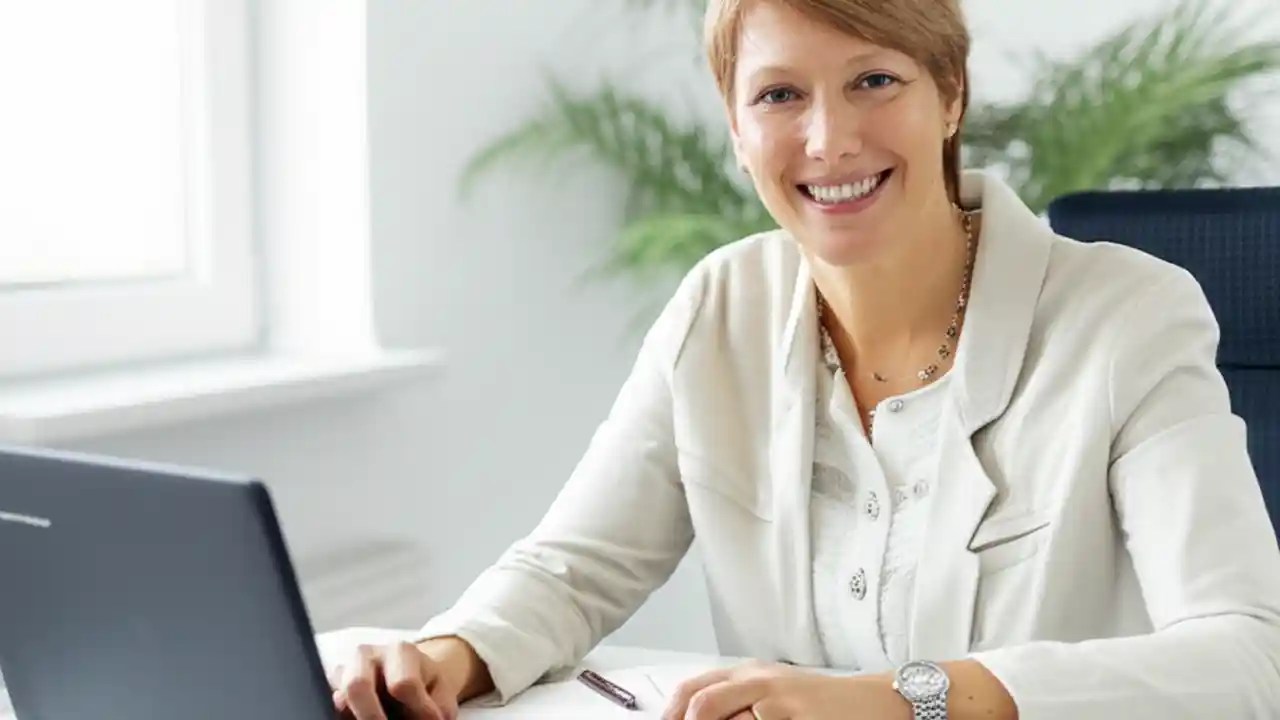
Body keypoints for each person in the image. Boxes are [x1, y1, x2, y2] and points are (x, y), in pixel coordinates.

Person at [329, 0, 1280, 718]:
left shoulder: (1127, 316)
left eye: (875, 81)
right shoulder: (720, 306)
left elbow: (1248, 657)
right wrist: (448, 654)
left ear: (950, 96)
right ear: (738, 131)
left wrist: (898, 700)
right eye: (781, 95)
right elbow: (576, 568)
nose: (829, 140)